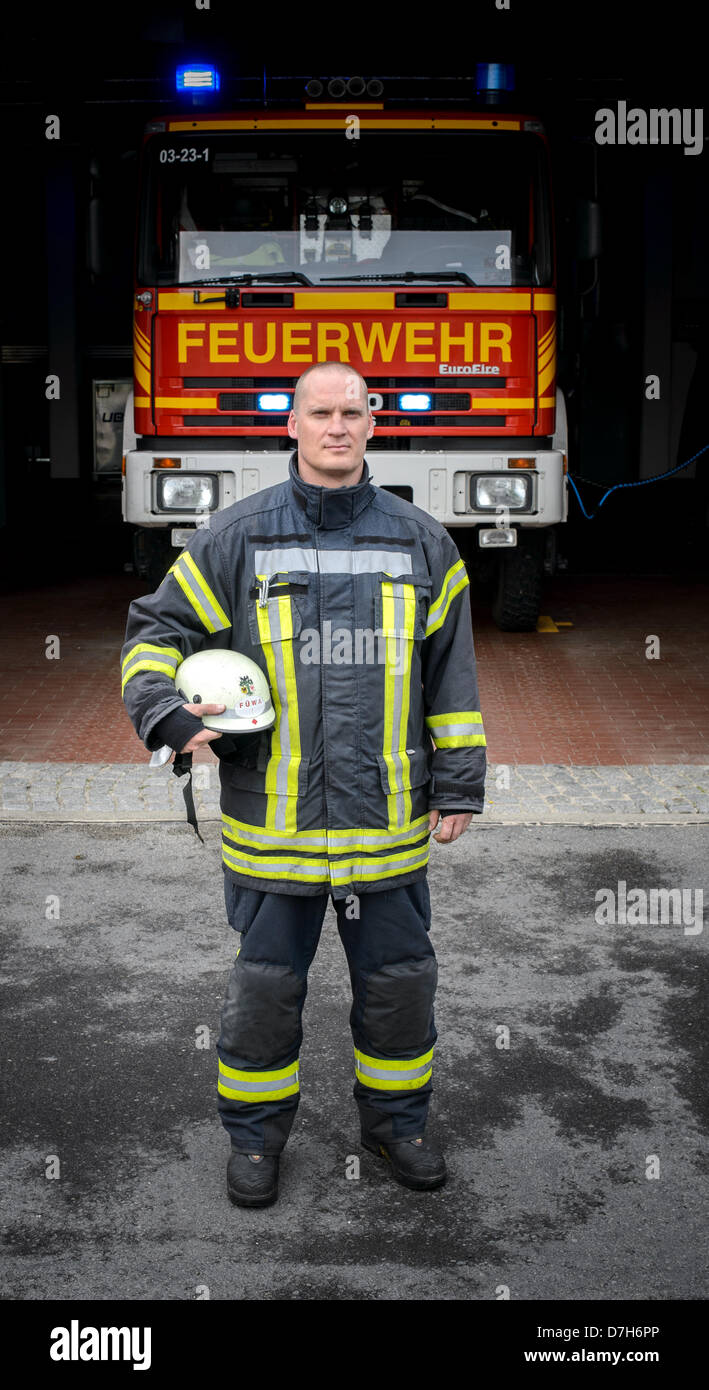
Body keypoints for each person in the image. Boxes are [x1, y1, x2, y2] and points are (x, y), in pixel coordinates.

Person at [120, 361, 486, 1207]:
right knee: (263, 994)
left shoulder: (422, 541)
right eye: (318, 412)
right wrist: (169, 717)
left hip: (386, 825)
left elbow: (451, 677)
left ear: (372, 421)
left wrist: (459, 783)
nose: (335, 426)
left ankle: (397, 1129)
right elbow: (153, 632)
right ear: (290, 425)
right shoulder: (233, 536)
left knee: (398, 987)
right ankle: (254, 1143)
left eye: (351, 412)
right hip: (270, 829)